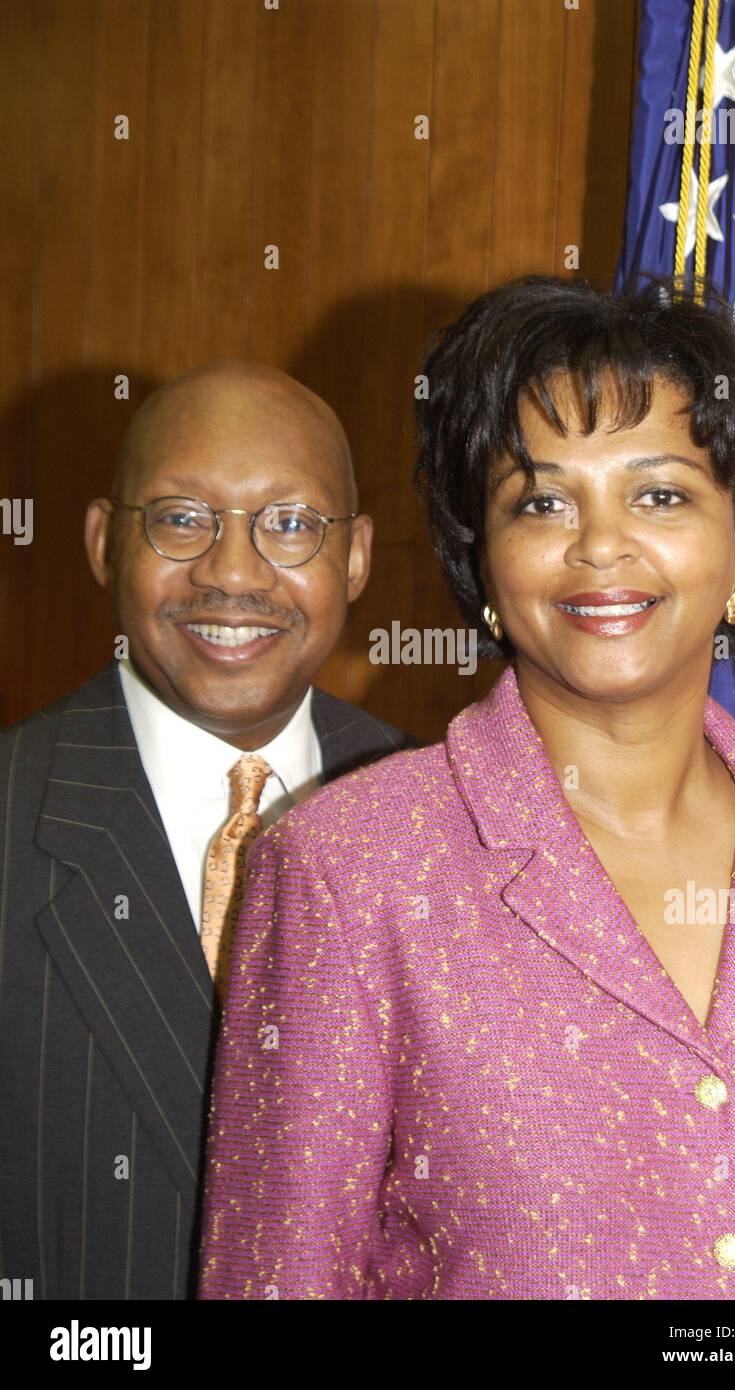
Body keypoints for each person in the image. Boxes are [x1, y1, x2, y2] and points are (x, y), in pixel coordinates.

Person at [199, 274, 735, 1302]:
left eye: (660, 493)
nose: (600, 546)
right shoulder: (348, 872)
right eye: (541, 501)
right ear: (484, 559)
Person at [0, 359, 417, 1300]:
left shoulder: (452, 819)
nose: (232, 573)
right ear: (106, 543)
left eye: (291, 525)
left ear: (354, 558)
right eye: (182, 519)